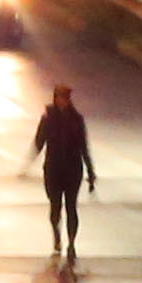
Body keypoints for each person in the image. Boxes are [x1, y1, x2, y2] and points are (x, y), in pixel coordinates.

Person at [28, 83, 94, 265]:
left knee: (71, 207)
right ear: (55, 98)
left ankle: (71, 242)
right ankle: (57, 236)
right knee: (55, 206)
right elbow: (39, 142)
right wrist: (28, 163)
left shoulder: (77, 119)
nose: (62, 101)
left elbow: (83, 146)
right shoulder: (48, 119)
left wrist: (90, 171)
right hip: (53, 169)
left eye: (65, 98)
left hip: (73, 170)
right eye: (59, 97)